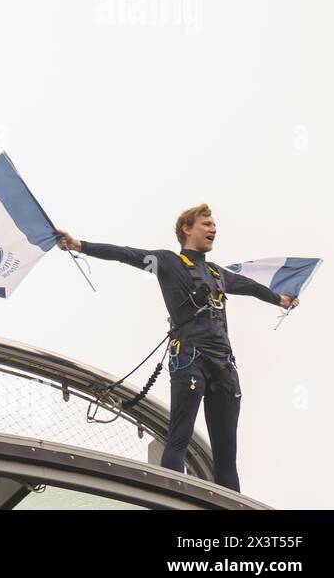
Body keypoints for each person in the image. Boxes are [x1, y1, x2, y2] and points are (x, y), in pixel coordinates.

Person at [54, 204, 297, 492]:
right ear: (187, 228)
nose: (214, 229)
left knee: (226, 455)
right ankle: (173, 499)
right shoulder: (167, 262)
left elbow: (250, 286)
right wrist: (79, 244)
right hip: (190, 358)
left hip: (224, 365)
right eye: (206, 223)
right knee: (179, 437)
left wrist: (279, 299)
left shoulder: (218, 273)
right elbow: (125, 254)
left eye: (214, 224)